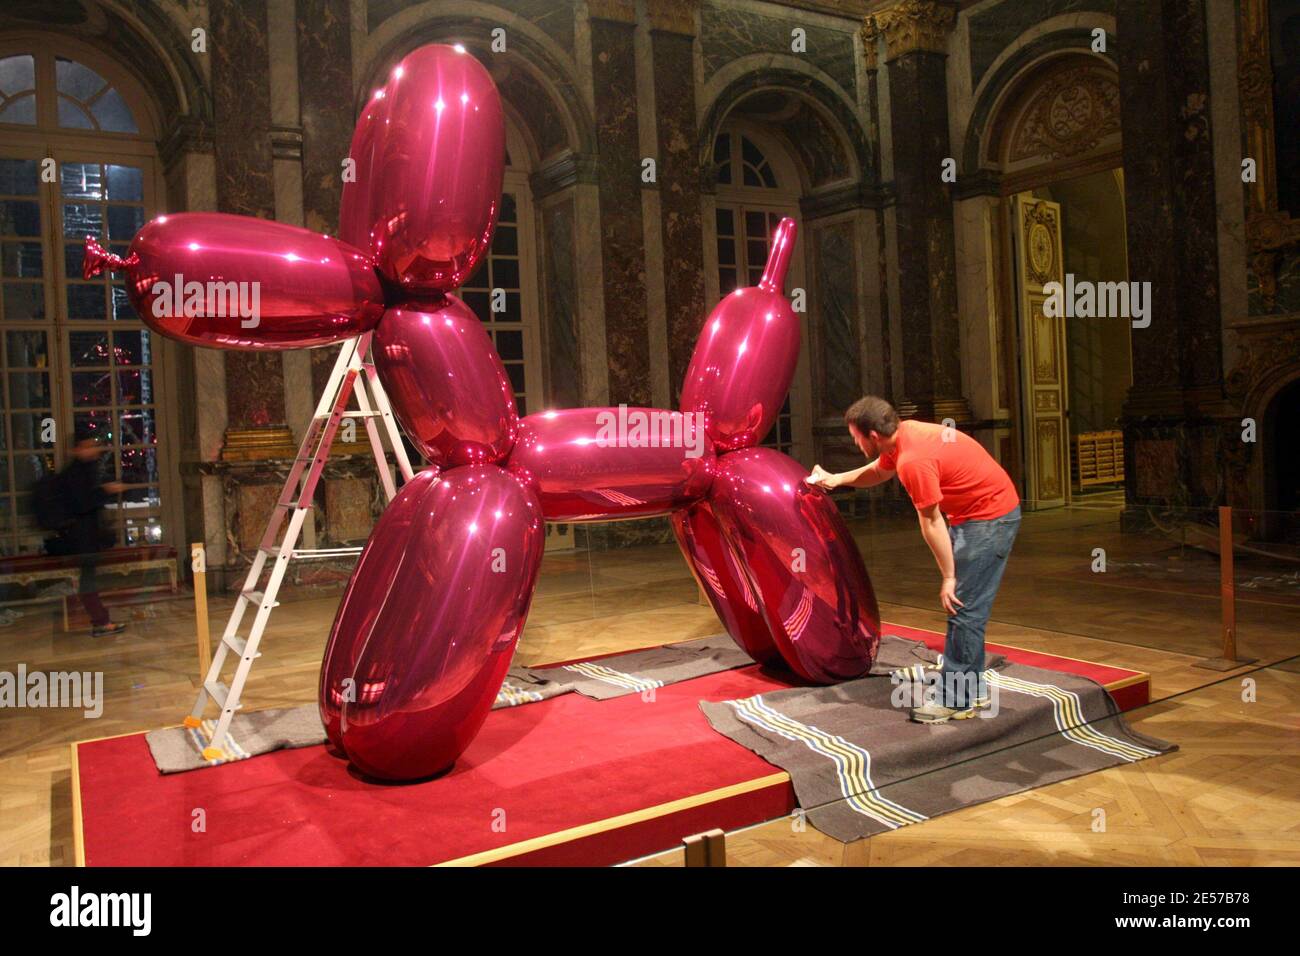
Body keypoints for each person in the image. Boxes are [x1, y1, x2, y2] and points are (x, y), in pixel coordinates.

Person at [806, 396, 1020, 723]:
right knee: (966, 609)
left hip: (990, 518)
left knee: (963, 608)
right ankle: (971, 689)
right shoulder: (904, 435)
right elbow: (878, 471)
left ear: (873, 436)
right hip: (976, 514)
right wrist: (835, 479)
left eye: (855, 436)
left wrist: (949, 578)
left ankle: (956, 699)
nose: (854, 441)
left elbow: (932, 522)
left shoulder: (913, 461)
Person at [43, 438, 128, 637]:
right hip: (81, 537)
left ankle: (101, 619)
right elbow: (82, 503)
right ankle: (101, 621)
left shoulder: (84, 470)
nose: (94, 449)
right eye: (89, 446)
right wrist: (106, 491)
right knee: (87, 580)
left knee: (88, 579)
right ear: (77, 449)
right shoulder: (75, 473)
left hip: (86, 535)